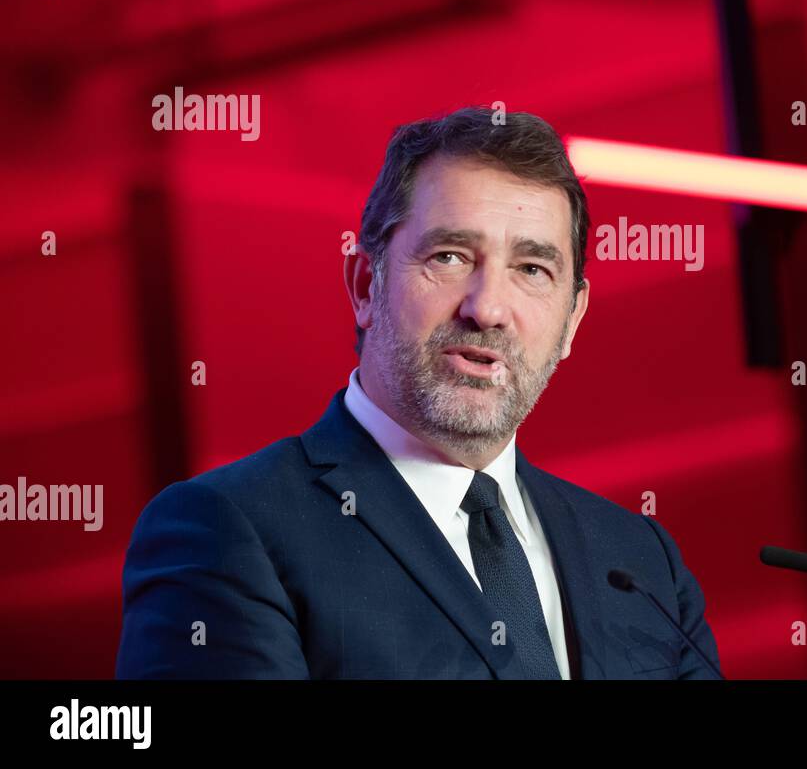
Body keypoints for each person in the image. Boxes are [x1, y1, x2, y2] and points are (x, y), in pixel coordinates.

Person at [115, 105, 723, 679]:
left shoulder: (641, 562)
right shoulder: (227, 529)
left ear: (571, 321)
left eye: (532, 270)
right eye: (450, 256)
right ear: (365, 286)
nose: (487, 308)